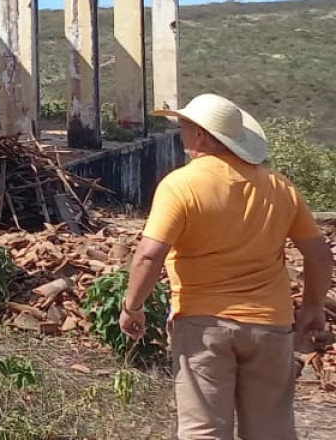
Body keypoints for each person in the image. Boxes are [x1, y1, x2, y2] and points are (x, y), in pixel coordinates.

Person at [120, 93, 332, 439]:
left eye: (184, 126)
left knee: (204, 431)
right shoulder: (279, 187)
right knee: (271, 432)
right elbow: (320, 255)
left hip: (203, 326)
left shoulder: (180, 185)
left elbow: (148, 255)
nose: (180, 132)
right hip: (270, 326)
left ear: (201, 134)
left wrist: (133, 307)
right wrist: (312, 307)